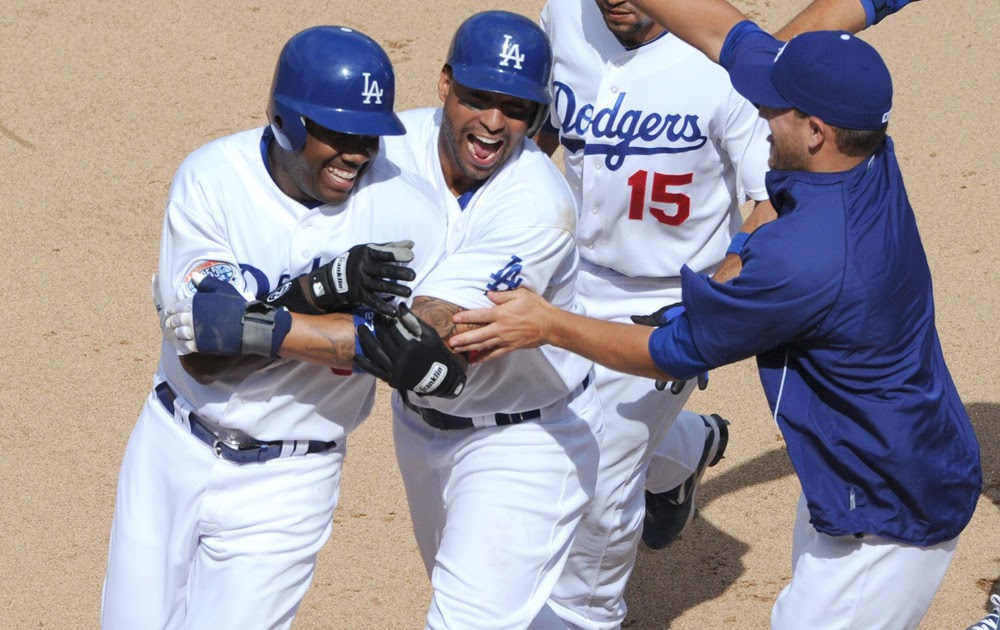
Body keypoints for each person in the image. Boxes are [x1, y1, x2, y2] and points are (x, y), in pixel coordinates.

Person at [450, 0, 982, 627]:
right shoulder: (865, 154)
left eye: (773, 108)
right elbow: (724, 32)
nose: (757, 112)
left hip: (888, 506)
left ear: (815, 131)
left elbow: (666, 351)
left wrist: (547, 324)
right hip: (856, 471)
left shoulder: (801, 260)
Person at [171, 11, 605, 629]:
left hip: (524, 439)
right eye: (479, 98)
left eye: (515, 108)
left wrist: (267, 325)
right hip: (422, 427)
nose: (493, 122)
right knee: (494, 610)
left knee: (467, 620)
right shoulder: (388, 147)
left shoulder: (538, 204)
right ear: (444, 85)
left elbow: (437, 327)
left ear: (537, 117)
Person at [101, 26, 451, 629]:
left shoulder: (410, 210)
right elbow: (204, 347)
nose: (357, 153)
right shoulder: (214, 179)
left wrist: (414, 341)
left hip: (289, 480)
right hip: (171, 450)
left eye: (368, 136)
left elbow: (429, 340)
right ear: (288, 121)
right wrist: (322, 297)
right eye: (338, 133)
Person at [530, 0, 774, 624]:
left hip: (668, 298)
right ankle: (688, 443)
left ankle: (588, 610)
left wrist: (712, 305)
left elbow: (772, 201)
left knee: (600, 475)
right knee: (531, 426)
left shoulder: (727, 58)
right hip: (570, 274)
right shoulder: (562, 16)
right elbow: (546, 127)